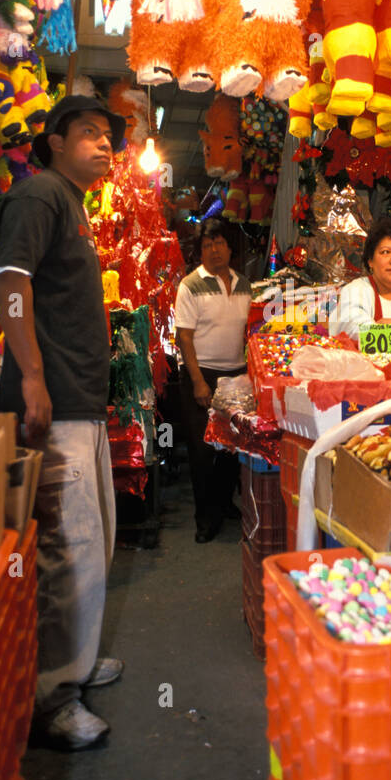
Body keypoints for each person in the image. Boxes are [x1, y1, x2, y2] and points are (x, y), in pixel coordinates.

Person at [0, 94, 126, 751]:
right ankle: (55, 695)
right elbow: (10, 282)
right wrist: (35, 379)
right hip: (54, 402)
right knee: (67, 551)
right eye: (90, 134)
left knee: (94, 542)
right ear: (53, 140)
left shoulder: (73, 205)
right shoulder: (39, 196)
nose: (105, 146)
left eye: (108, 138)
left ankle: (78, 656)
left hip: (82, 401)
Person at [175, 217, 252, 543]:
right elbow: (184, 338)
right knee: (203, 449)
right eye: (207, 245)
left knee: (230, 447)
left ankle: (224, 505)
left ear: (230, 247)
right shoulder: (190, 285)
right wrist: (197, 382)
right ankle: (205, 519)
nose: (214, 250)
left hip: (236, 374)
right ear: (200, 251)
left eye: (219, 243)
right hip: (201, 373)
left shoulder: (244, 284)